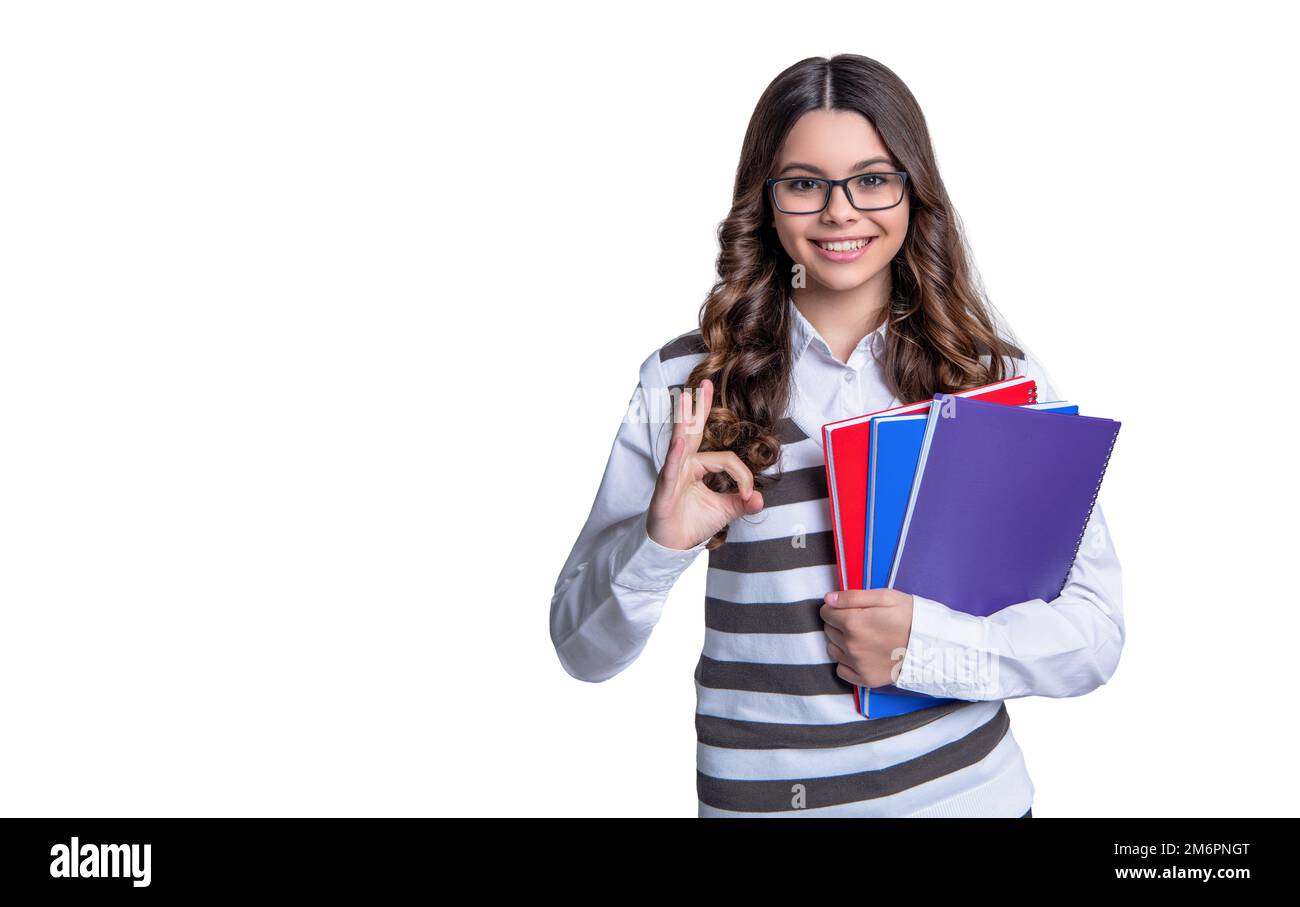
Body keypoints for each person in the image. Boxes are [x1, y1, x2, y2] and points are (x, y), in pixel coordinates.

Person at [549, 54, 1124, 817]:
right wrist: (659, 546)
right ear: (766, 201)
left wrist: (921, 645)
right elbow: (581, 651)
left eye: (873, 179)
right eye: (803, 183)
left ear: (914, 193)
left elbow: (1094, 631)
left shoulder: (993, 378)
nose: (840, 211)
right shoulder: (680, 384)